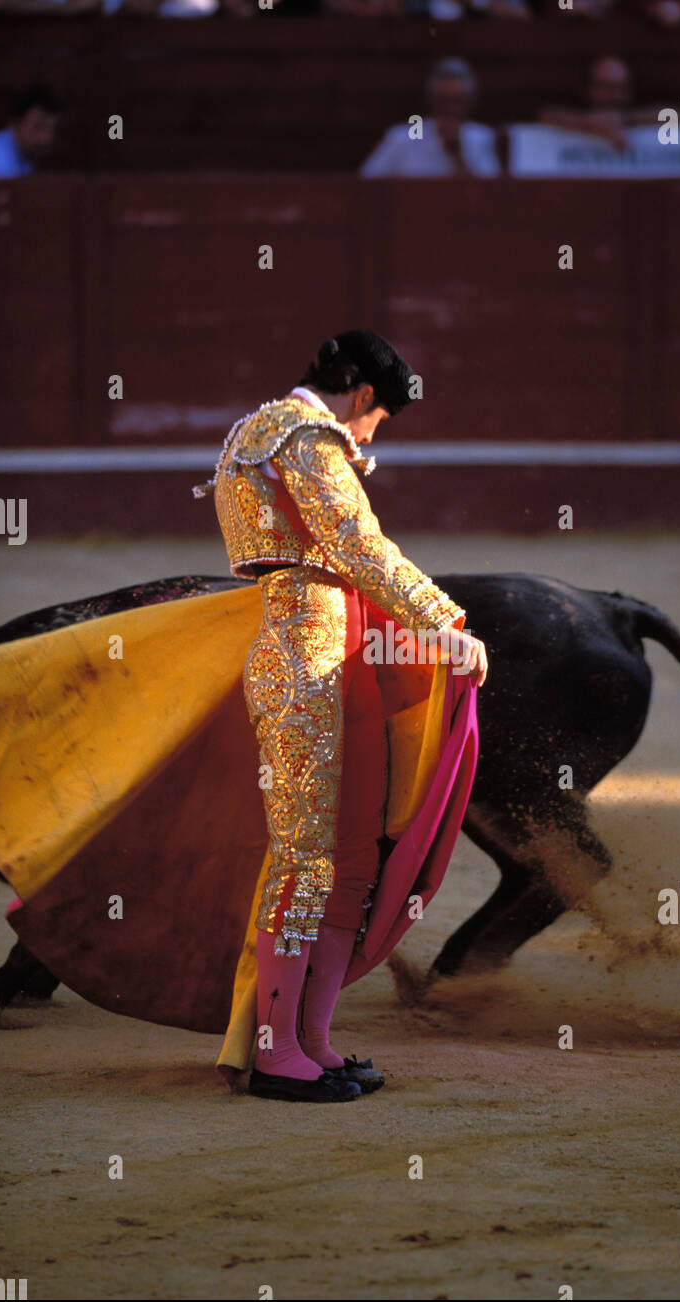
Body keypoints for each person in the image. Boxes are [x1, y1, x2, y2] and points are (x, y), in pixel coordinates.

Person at [192, 330, 488, 1101]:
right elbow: (354, 543)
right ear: (360, 396)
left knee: (350, 856)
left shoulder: (273, 435)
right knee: (304, 857)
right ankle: (272, 1050)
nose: (369, 436)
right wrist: (441, 619)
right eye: (377, 419)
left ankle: (311, 1040)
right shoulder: (297, 431)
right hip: (304, 662)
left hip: (339, 654)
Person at [360, 57, 501, 178]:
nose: (450, 110)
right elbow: (366, 184)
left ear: (468, 102)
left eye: (457, 101)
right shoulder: (402, 138)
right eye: (445, 100)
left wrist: (456, 152)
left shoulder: (482, 137)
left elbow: (487, 194)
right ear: (432, 100)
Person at [0, 85, 60, 180]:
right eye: (38, 127)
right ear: (15, 124)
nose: (46, 138)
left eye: (52, 129)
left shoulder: (29, 153)